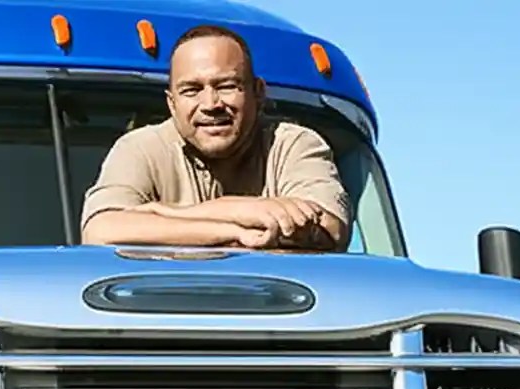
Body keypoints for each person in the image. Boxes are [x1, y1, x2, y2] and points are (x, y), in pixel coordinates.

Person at [80, 24, 352, 252]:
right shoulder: (140, 147)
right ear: (172, 104)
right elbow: (100, 230)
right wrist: (237, 219)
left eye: (226, 86)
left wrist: (164, 214)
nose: (210, 104)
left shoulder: (294, 144)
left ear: (258, 93)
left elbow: (330, 228)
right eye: (191, 90)